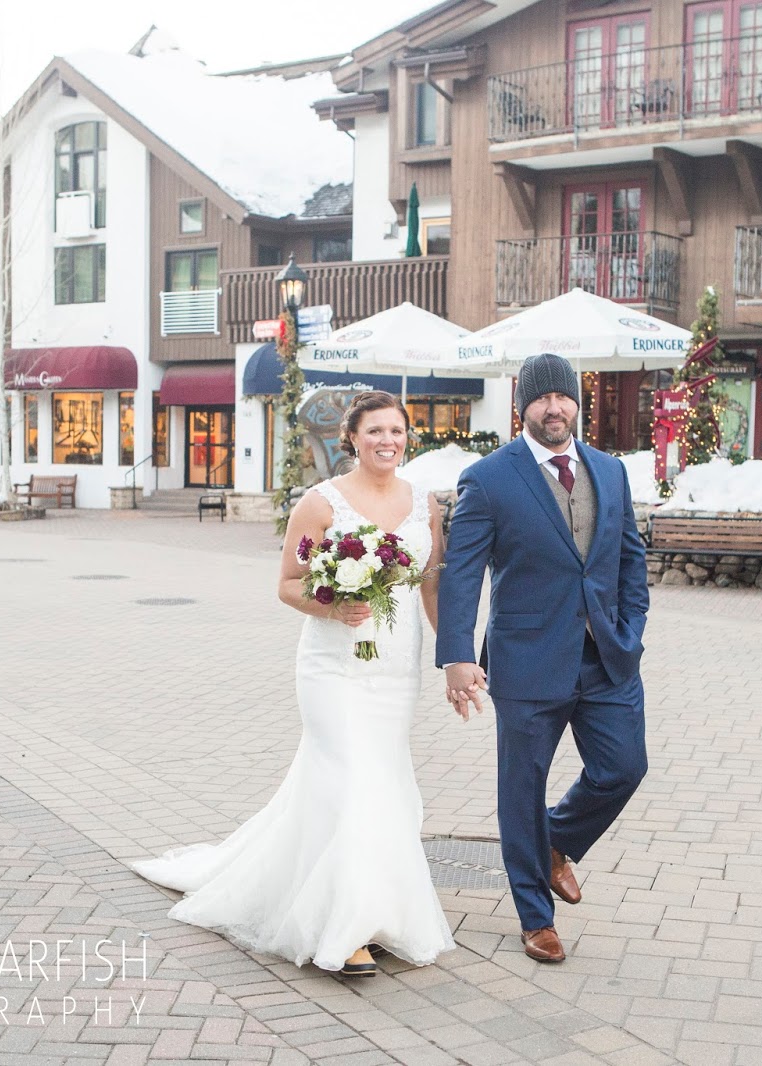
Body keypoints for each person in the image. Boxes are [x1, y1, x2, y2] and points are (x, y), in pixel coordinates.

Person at [135, 391, 455, 978]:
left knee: (384, 782)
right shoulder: (320, 503)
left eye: (397, 431)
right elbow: (288, 583)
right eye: (375, 431)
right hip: (333, 668)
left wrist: (453, 655)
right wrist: (336, 607)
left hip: (393, 668)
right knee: (350, 780)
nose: (388, 441)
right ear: (351, 438)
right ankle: (345, 926)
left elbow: (430, 584)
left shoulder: (423, 504)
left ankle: (378, 910)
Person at [436, 352, 649, 966]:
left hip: (607, 656)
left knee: (623, 767)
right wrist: (455, 653)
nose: (554, 408)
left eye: (564, 398)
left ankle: (554, 843)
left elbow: (629, 556)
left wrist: (632, 625)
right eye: (542, 398)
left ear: (577, 404)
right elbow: (463, 573)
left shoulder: (609, 471)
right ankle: (536, 916)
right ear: (521, 406)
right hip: (527, 658)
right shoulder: (490, 478)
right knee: (522, 787)